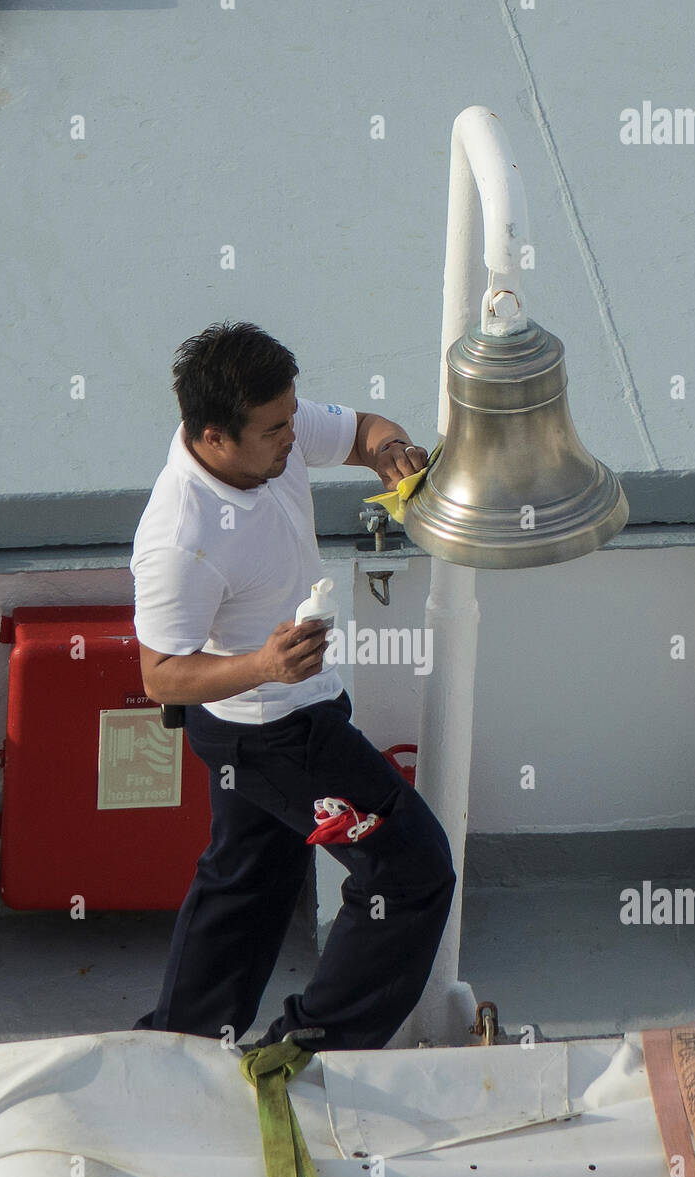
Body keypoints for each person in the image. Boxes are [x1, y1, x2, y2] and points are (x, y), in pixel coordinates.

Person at [129, 321, 456, 1052]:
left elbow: (362, 429)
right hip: (272, 730)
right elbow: (160, 676)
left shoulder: (267, 426)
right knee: (409, 870)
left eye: (290, 418)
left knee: (247, 883)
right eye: (275, 429)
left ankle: (174, 1047)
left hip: (279, 710)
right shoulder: (181, 541)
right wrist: (265, 667)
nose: (291, 437)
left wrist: (388, 452)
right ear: (214, 437)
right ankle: (310, 1049)